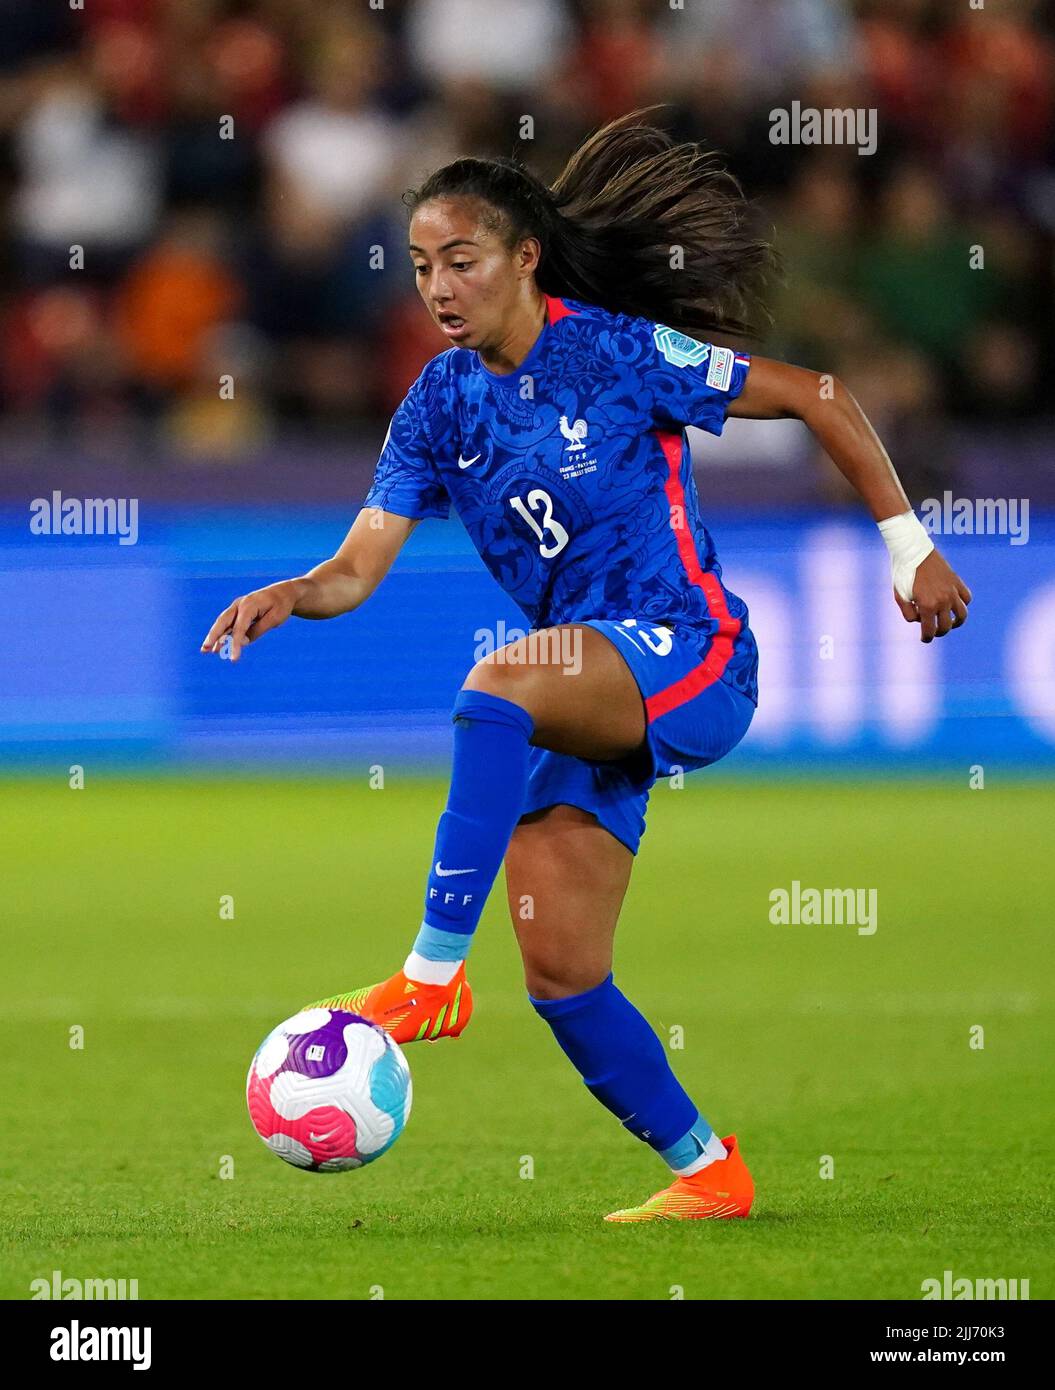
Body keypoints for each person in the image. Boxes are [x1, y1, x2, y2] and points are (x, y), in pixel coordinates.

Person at [202, 109, 971, 1222]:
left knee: (495, 683)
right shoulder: (437, 402)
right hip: (591, 686)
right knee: (561, 970)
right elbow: (355, 568)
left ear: (522, 257)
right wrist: (294, 591)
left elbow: (817, 394)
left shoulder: (612, 349)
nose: (438, 288)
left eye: (459, 260)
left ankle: (426, 979)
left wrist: (910, 548)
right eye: (420, 267)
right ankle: (710, 1172)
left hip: (692, 654)